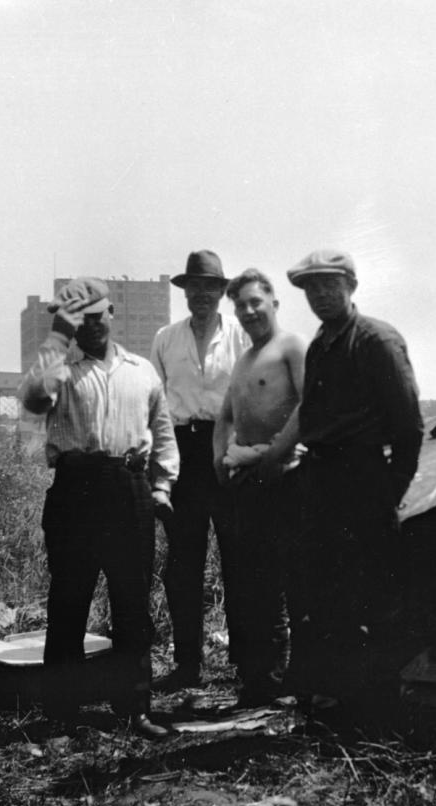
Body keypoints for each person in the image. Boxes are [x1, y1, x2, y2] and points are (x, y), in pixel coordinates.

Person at [260, 249, 424, 705]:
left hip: (364, 477)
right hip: (322, 478)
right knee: (327, 594)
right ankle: (338, 704)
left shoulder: (375, 340)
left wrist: (388, 491)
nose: (320, 295)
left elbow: (409, 426)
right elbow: (311, 416)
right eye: (311, 287)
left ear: (351, 285)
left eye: (330, 284)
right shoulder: (320, 344)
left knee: (375, 596)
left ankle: (379, 713)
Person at [18, 277, 177, 739]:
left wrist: (162, 488)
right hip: (75, 489)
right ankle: (62, 711)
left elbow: (162, 431)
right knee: (70, 602)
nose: (90, 327)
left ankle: (135, 707)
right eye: (78, 320)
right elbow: (31, 400)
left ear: (112, 314)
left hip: (128, 489)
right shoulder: (60, 369)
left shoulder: (141, 370)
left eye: (95, 316)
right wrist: (56, 336)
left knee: (132, 603)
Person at [149, 250, 249, 690]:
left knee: (240, 561)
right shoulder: (165, 339)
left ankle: (247, 664)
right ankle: (188, 664)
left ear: (222, 291)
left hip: (226, 451)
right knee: (183, 564)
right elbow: (154, 407)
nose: (201, 295)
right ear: (184, 291)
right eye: (194, 287)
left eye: (210, 286)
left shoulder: (241, 337)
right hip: (183, 455)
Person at [212, 268, 306, 707]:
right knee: (256, 584)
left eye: (256, 302)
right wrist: (219, 458)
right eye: (241, 306)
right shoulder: (245, 360)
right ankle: (261, 682)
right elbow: (225, 416)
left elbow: (310, 404)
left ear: (274, 303)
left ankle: (296, 683)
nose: (249, 312)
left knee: (295, 581)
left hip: (287, 475)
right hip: (249, 481)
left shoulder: (291, 346)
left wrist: (275, 455)